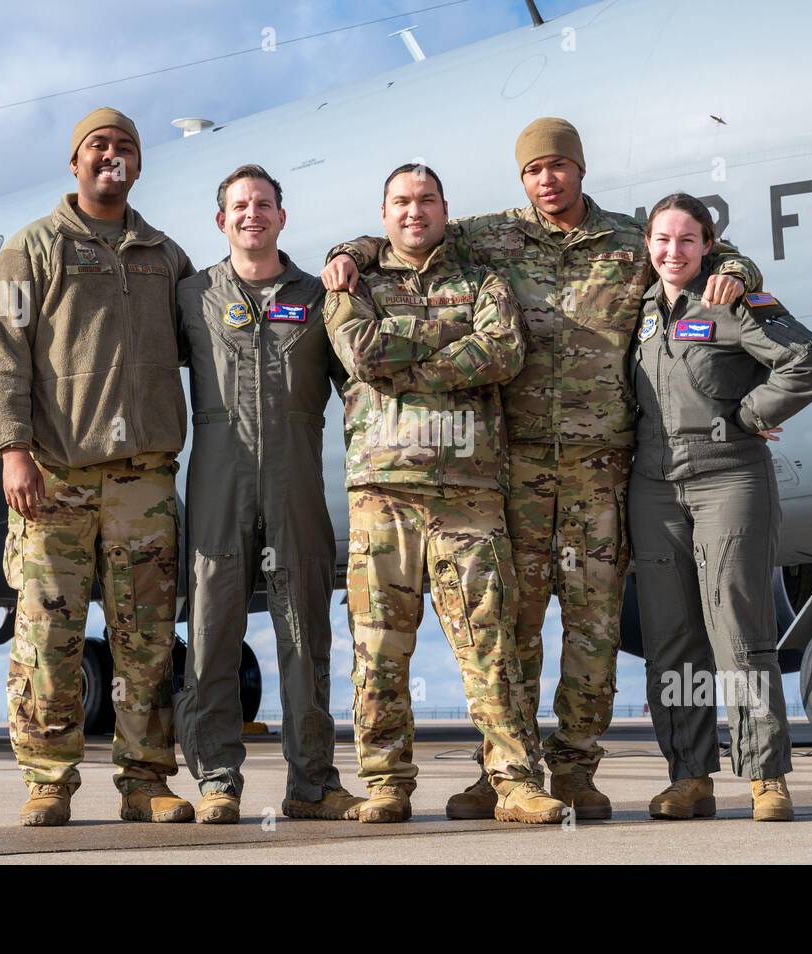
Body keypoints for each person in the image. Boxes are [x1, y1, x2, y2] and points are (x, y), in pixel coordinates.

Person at [323, 118, 763, 820]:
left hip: (599, 466)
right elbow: (409, 236)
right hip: (514, 470)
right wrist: (349, 250)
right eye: (534, 170)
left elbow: (700, 249)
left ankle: (578, 771)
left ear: (580, 171)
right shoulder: (488, 237)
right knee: (509, 630)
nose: (546, 179)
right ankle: (501, 774)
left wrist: (737, 269)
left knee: (593, 633)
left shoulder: (630, 241)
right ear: (522, 179)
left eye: (558, 166)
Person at [326, 163, 567, 824]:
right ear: (383, 214)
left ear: (444, 209)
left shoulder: (482, 281)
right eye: (402, 201)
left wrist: (412, 361)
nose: (414, 211)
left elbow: (503, 353)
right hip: (384, 496)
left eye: (426, 200)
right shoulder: (353, 281)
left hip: (469, 494)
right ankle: (386, 784)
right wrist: (448, 341)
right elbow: (362, 354)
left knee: (491, 648)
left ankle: (515, 782)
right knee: (378, 654)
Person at [0, 107, 196, 826]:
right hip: (55, 474)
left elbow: (212, 333)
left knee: (149, 640)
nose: (113, 155)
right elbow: (1, 352)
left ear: (139, 164)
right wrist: (13, 449)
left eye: (126, 146)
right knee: (48, 636)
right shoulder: (30, 249)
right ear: (75, 164)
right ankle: (48, 780)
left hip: (145, 481)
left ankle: (146, 781)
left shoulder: (165, 255)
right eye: (99, 146)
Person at [629, 192, 812, 822]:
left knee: (739, 633)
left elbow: (808, 363)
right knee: (670, 641)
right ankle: (690, 777)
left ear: (708, 246)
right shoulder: (635, 311)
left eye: (686, 240)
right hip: (654, 486)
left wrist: (748, 416)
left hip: (727, 477)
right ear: (648, 246)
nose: (673, 251)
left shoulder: (733, 301)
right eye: (662, 240)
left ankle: (766, 776)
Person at [172, 165, 365, 823]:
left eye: (263, 204)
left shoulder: (317, 297)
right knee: (211, 631)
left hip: (296, 482)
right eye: (238, 206)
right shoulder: (190, 297)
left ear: (283, 216)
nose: (251, 214)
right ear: (221, 221)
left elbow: (364, 384)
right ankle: (217, 780)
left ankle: (312, 784)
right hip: (218, 482)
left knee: (305, 633)